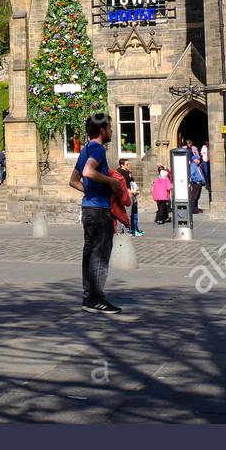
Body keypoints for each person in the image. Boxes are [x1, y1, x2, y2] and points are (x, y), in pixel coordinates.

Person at [70, 112, 126, 315]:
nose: (111, 131)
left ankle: (89, 297)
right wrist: (111, 182)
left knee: (90, 254)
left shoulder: (85, 149)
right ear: (102, 130)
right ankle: (96, 299)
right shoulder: (98, 149)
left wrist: (92, 191)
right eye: (110, 128)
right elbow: (87, 172)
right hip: (99, 210)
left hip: (88, 208)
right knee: (100, 255)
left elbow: (73, 180)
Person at [118, 159, 143, 236]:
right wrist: (130, 193)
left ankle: (118, 230)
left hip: (119, 194)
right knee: (127, 213)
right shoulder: (126, 173)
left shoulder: (117, 172)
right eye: (127, 164)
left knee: (119, 212)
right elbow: (126, 186)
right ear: (122, 165)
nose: (128, 166)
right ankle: (126, 230)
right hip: (127, 195)